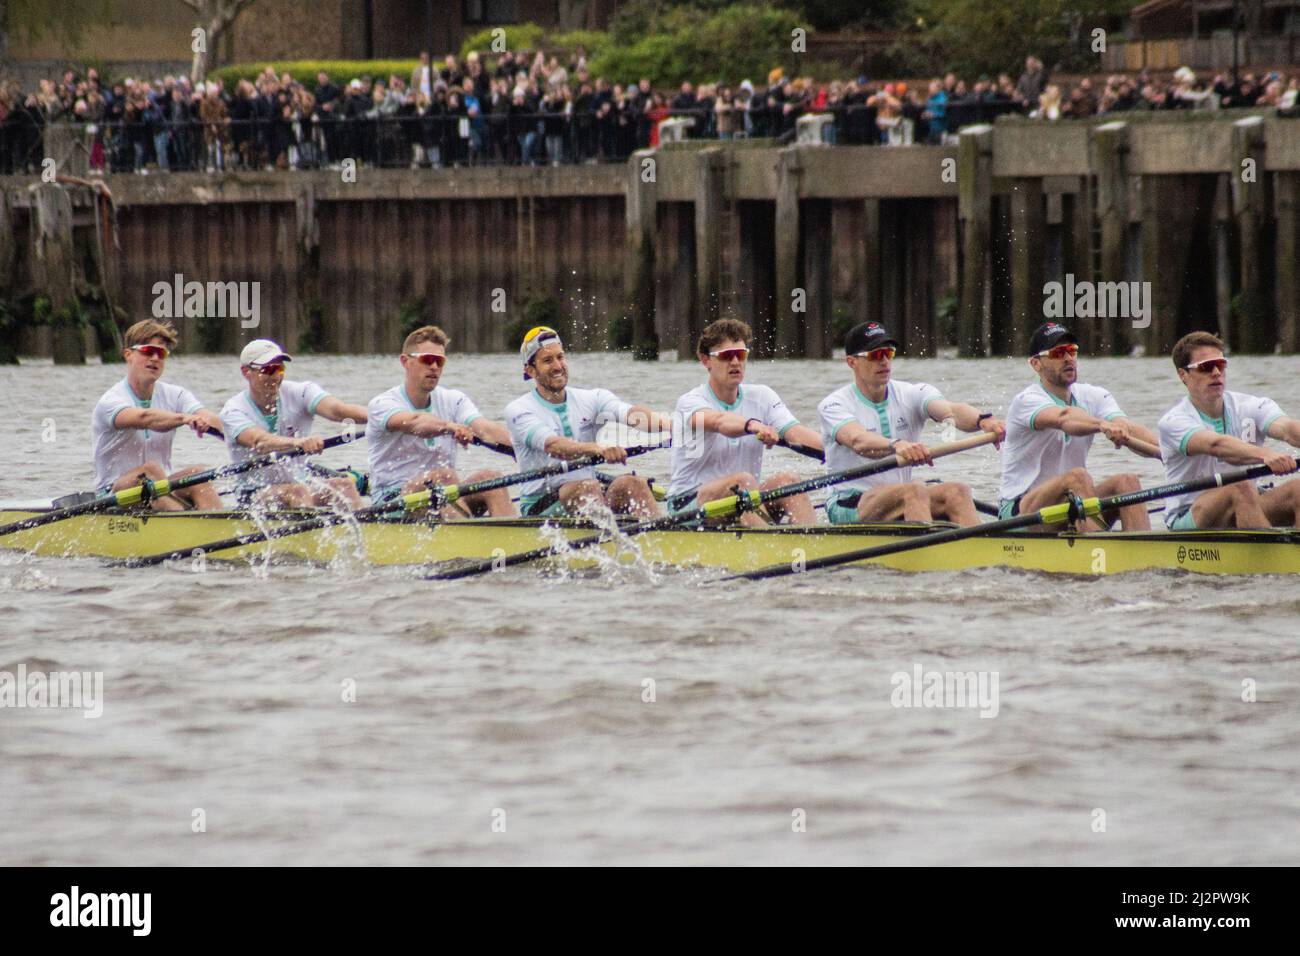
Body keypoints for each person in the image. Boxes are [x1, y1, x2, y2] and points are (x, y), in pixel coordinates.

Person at [819, 322, 1005, 527]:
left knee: (957, 491)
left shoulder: (911, 393)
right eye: (875, 355)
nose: (883, 361)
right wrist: (896, 444)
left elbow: (951, 410)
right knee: (914, 490)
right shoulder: (834, 404)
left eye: (888, 353)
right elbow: (858, 441)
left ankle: (979, 551)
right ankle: (927, 555)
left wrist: (983, 420)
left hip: (900, 496)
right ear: (851, 362)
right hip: (850, 502)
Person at [998, 322, 1161, 531]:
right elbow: (1064, 418)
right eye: (1058, 353)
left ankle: (1145, 554)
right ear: (1035, 364)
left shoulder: (1093, 395)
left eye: (1071, 351)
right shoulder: (1027, 401)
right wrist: (1101, 424)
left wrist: (1168, 451)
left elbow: (1126, 427)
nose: (1068, 358)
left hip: (1072, 501)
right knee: (1078, 477)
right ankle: (1099, 547)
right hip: (1021, 511)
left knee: (1127, 482)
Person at [668, 319, 823, 527]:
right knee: (743, 481)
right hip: (688, 506)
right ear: (706, 361)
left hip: (743, 498)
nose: (735, 362)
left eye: (740, 355)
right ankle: (770, 547)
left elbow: (795, 433)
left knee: (789, 481)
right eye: (726, 356)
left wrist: (838, 450)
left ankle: (812, 546)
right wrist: (752, 425)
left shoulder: (762, 396)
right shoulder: (690, 402)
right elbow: (720, 422)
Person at [505, 326, 671, 518]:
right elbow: (554, 446)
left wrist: (671, 425)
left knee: (633, 483)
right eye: (548, 361)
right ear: (531, 370)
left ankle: (660, 538)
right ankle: (608, 539)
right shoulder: (519, 410)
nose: (558, 366)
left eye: (560, 357)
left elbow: (631, 414)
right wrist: (598, 448)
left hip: (589, 496)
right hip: (541, 505)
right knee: (586, 487)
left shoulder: (592, 398)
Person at [366, 326, 515, 517]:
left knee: (491, 478)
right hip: (392, 503)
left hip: (444, 496)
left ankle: (511, 539)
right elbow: (415, 422)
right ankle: (468, 538)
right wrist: (448, 426)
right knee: (443, 475)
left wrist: (524, 446)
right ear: (406, 361)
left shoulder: (453, 399)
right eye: (427, 360)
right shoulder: (382, 404)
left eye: (440, 361)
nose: (434, 367)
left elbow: (485, 429)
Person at [1157, 331, 1300, 529]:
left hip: (1248, 502)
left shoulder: (1250, 405)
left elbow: (1287, 429)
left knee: (1297, 489)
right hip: (1192, 514)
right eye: (1206, 367)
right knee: (1239, 488)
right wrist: (1266, 454)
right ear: (1183, 375)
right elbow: (1216, 445)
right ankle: (1268, 557)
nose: (1216, 373)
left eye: (1221, 365)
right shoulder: (1173, 421)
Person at [91, 320, 223, 510]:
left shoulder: (176, 394)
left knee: (198, 476)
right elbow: (145, 418)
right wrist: (184, 418)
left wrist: (229, 431)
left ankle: (221, 530)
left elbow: (208, 416)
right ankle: (190, 525)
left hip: (162, 488)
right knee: (149, 471)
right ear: (128, 355)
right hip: (113, 495)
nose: (154, 358)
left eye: (160, 353)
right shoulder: (110, 401)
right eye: (147, 351)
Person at [220, 339, 367, 509]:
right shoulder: (233, 411)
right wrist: (298, 443)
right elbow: (259, 442)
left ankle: (366, 531)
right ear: (246, 372)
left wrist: (380, 418)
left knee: (344, 486)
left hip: (299, 484)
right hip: (254, 493)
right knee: (298, 492)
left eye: (280, 368)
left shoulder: (301, 392)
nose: (276, 377)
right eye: (268, 370)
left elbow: (338, 410)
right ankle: (308, 535)